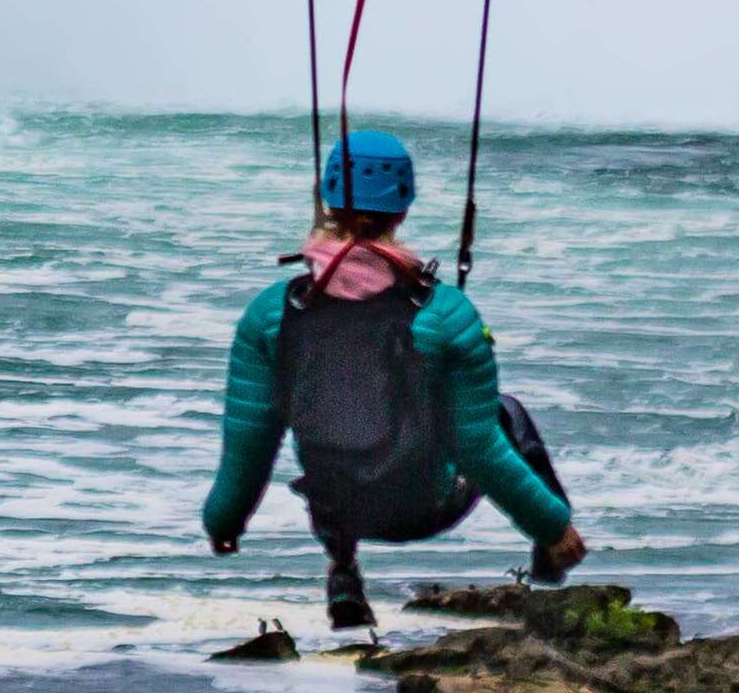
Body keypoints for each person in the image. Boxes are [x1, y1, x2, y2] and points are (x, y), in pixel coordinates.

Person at [201, 126, 584, 634]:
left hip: (339, 512)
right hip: (427, 508)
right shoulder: (446, 314)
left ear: (327, 201)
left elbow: (250, 442)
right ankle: (552, 554)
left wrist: (223, 522)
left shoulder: (273, 314)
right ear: (402, 209)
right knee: (503, 411)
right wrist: (551, 522)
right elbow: (479, 449)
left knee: (333, 427)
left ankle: (343, 569)